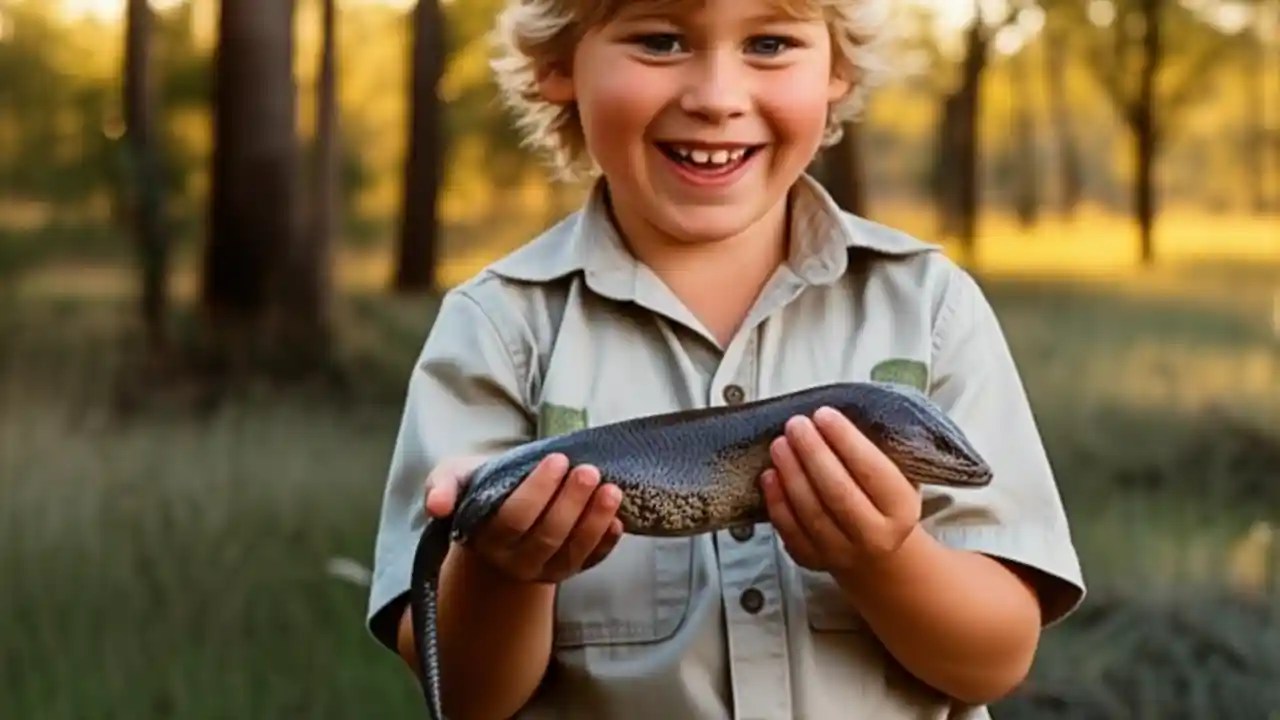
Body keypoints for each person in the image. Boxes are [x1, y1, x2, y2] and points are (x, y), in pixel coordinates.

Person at [366, 0, 1087, 717]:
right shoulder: (496, 327)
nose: (716, 98)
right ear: (558, 65)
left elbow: (995, 661)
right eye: (660, 40)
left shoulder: (929, 306)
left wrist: (882, 559)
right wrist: (502, 569)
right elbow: (463, 701)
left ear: (836, 69)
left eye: (770, 43)